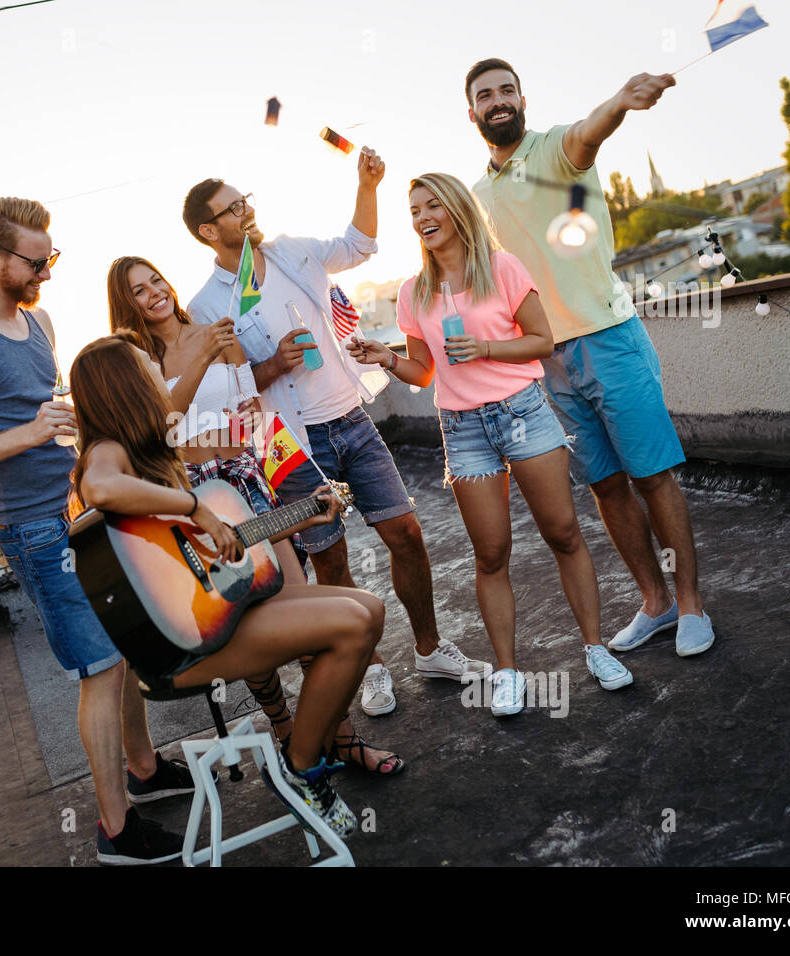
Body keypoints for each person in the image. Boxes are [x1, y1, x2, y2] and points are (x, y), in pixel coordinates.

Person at [0, 197, 200, 866]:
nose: (46, 271)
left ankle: (143, 768)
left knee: (124, 645)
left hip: (81, 510)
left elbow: (48, 410)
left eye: (52, 257)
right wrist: (29, 433)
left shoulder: (40, 320)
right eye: (35, 260)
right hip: (34, 529)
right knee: (100, 670)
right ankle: (116, 832)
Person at [182, 154, 491, 716]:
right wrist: (273, 364)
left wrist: (366, 185)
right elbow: (228, 390)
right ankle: (371, 669)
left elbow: (358, 246)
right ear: (208, 231)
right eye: (231, 209)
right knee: (330, 561)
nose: (245, 211)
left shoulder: (292, 250)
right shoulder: (206, 305)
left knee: (407, 534)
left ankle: (429, 649)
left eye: (244, 199)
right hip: (289, 441)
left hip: (350, 416)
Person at [70, 333, 386, 839]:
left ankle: (304, 754)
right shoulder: (108, 452)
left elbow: (220, 548)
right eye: (146, 364)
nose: (157, 367)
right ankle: (301, 769)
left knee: (369, 609)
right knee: (353, 624)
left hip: (213, 613)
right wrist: (195, 506)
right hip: (182, 648)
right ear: (126, 384)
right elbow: (99, 488)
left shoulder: (154, 450)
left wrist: (303, 516)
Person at [348, 173, 634, 714]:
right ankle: (507, 671)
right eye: (414, 211)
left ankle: (595, 649)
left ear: (457, 210)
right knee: (491, 552)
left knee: (564, 533)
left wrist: (483, 345)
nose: (423, 217)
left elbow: (541, 341)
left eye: (433, 205)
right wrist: (385, 357)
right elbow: (424, 372)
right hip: (463, 428)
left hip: (522, 411)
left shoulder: (502, 269)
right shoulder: (415, 291)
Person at [108, 255, 403, 774]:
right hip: (196, 496)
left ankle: (340, 737)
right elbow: (161, 424)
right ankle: (285, 730)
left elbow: (254, 409)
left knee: (303, 609)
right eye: (137, 290)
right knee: (244, 617)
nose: (153, 291)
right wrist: (200, 356)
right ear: (124, 304)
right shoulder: (136, 358)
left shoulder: (216, 332)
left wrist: (272, 451)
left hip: (247, 475)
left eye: (156, 278)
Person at [465, 58, 714, 657]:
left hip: (608, 339)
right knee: (605, 488)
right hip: (546, 363)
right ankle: (655, 603)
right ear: (471, 112)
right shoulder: (475, 198)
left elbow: (589, 131)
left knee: (652, 477)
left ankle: (691, 605)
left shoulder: (554, 150)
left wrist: (622, 102)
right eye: (484, 95)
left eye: (506, 91)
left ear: (522, 98)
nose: (497, 101)